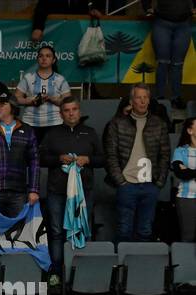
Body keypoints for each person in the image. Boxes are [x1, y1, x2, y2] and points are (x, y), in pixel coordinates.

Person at [38, 95, 103, 280]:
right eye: (67, 110)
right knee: (57, 232)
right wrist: (58, 158)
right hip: (57, 191)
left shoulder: (90, 132)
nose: (71, 113)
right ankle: (57, 274)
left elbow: (103, 159)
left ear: (79, 111)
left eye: (74, 109)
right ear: (61, 113)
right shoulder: (52, 133)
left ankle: (83, 274)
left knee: (82, 230)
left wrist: (88, 159)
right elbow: (40, 158)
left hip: (84, 192)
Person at [104, 84, 171, 242]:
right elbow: (111, 155)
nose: (142, 101)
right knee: (124, 230)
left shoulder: (159, 124)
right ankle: (120, 266)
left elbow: (165, 155)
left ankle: (142, 266)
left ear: (149, 100)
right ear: (131, 101)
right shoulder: (117, 123)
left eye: (145, 97)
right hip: (127, 185)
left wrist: (159, 182)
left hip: (150, 185)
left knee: (146, 230)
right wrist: (120, 181)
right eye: (138, 97)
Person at [142, 0, 193, 110]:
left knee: (177, 64)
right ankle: (160, 98)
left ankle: (176, 98)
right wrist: (147, 7)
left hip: (184, 24)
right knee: (162, 62)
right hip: (162, 22)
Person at [16, 44, 71, 130]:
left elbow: (68, 102)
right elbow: (16, 98)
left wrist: (51, 99)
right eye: (41, 56)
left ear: (53, 60)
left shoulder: (60, 79)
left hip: (55, 123)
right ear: (37, 59)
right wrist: (31, 101)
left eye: (48, 56)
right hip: (30, 123)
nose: (44, 58)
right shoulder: (28, 77)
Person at [173, 117, 196, 242]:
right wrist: (185, 171)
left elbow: (187, 172)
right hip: (187, 198)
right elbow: (180, 173)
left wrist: (189, 170)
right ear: (190, 130)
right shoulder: (181, 151)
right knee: (188, 236)